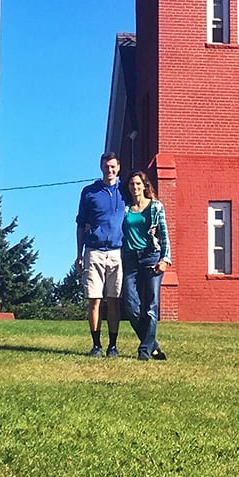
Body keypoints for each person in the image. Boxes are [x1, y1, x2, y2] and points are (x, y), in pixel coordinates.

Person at [76, 152, 125, 357]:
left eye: (113, 167)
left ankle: (112, 346)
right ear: (101, 167)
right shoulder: (89, 192)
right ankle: (96, 345)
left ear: (118, 168)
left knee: (113, 300)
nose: (109, 170)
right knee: (94, 300)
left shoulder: (125, 190)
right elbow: (80, 224)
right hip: (94, 251)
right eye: (106, 167)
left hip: (116, 252)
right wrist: (79, 254)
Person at [122, 170, 171, 361]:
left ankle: (144, 350)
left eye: (138, 184)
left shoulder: (155, 206)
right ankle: (153, 345)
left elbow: (164, 234)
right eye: (131, 184)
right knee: (130, 304)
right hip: (130, 258)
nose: (135, 187)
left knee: (151, 304)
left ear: (144, 186)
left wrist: (165, 259)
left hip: (151, 256)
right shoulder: (126, 209)